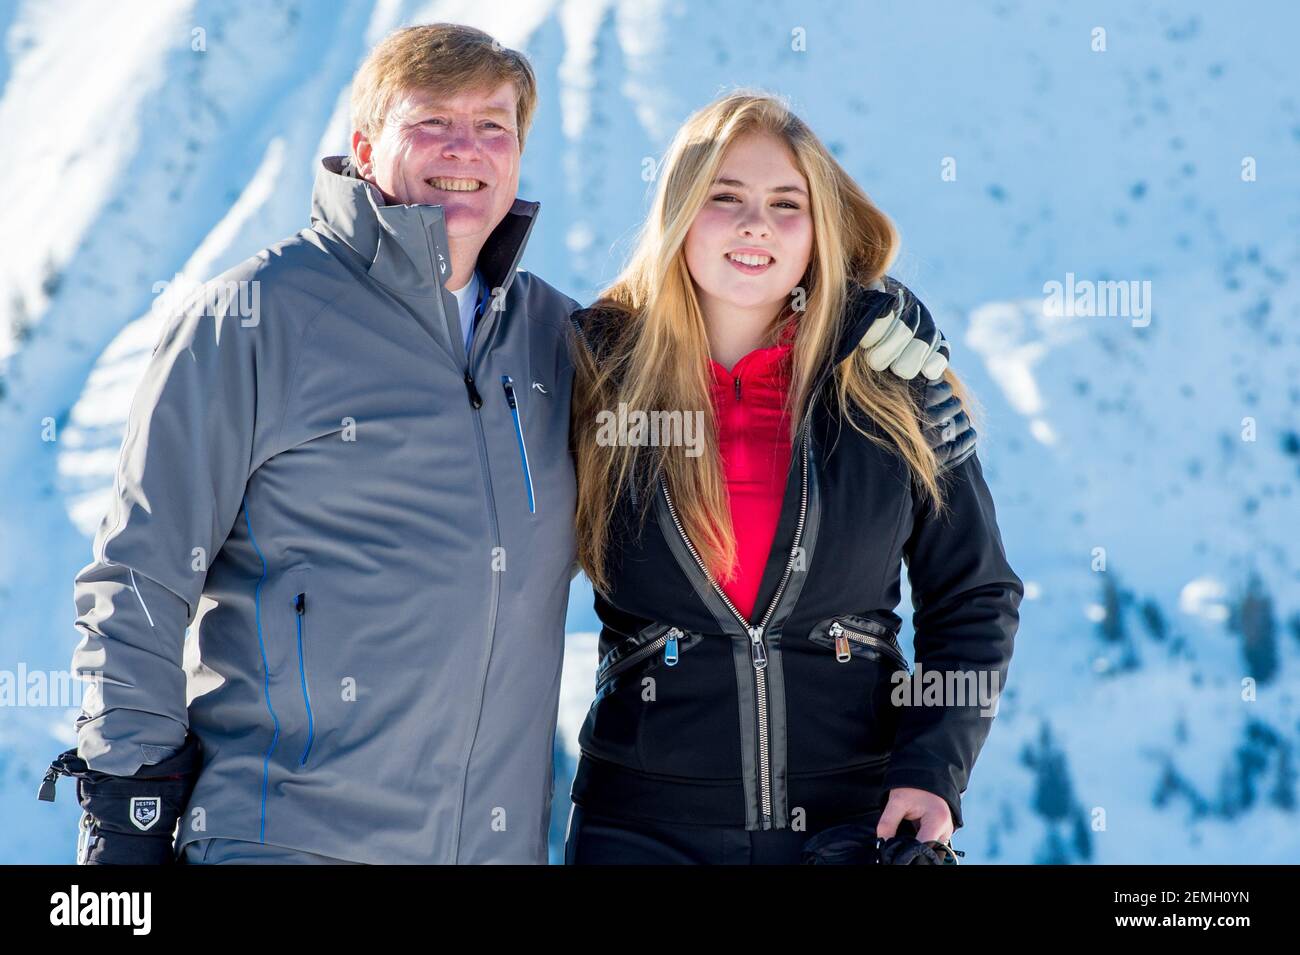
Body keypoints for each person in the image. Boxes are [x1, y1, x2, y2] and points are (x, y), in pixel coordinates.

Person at [37, 26, 947, 865]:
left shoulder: (557, 341)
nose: (464, 151)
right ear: (364, 147)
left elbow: (708, 334)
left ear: (517, 154)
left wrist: (871, 315)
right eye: (432, 122)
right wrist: (126, 805)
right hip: (287, 839)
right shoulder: (253, 320)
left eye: (492, 127)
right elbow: (140, 575)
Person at [564, 90, 1023, 864]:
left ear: (819, 231)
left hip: (852, 823)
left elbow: (975, 594)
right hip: (638, 827)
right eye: (726, 197)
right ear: (680, 213)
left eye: (787, 204)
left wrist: (932, 771)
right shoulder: (592, 372)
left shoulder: (893, 383)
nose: (757, 225)